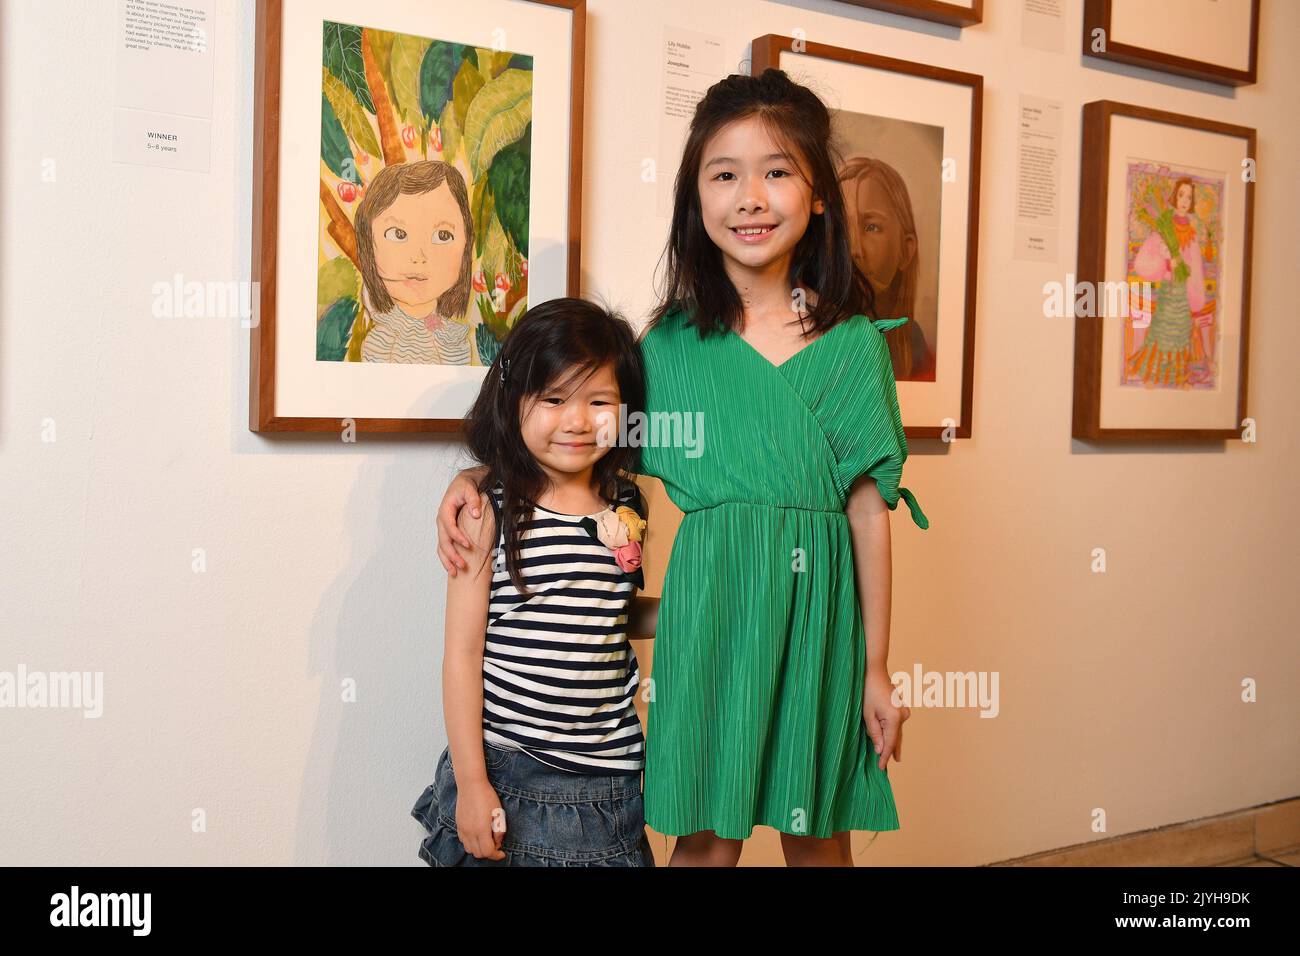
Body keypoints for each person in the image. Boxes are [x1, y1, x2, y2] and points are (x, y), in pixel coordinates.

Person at [437, 69, 928, 866]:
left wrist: (875, 667)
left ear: (820, 195)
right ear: (695, 199)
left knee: (818, 837)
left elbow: (869, 509)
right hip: (708, 620)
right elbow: (575, 444)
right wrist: (471, 482)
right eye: (724, 175)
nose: (751, 197)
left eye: (777, 172)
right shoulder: (664, 351)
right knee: (705, 834)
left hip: (821, 618)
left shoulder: (854, 349)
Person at [411, 296, 659, 866]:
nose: (576, 420)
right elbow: (462, 652)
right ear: (513, 399)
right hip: (510, 769)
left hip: (608, 779)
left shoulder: (625, 501)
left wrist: (690, 609)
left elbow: (610, 616)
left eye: (599, 401)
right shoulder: (488, 508)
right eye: (552, 400)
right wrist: (473, 783)